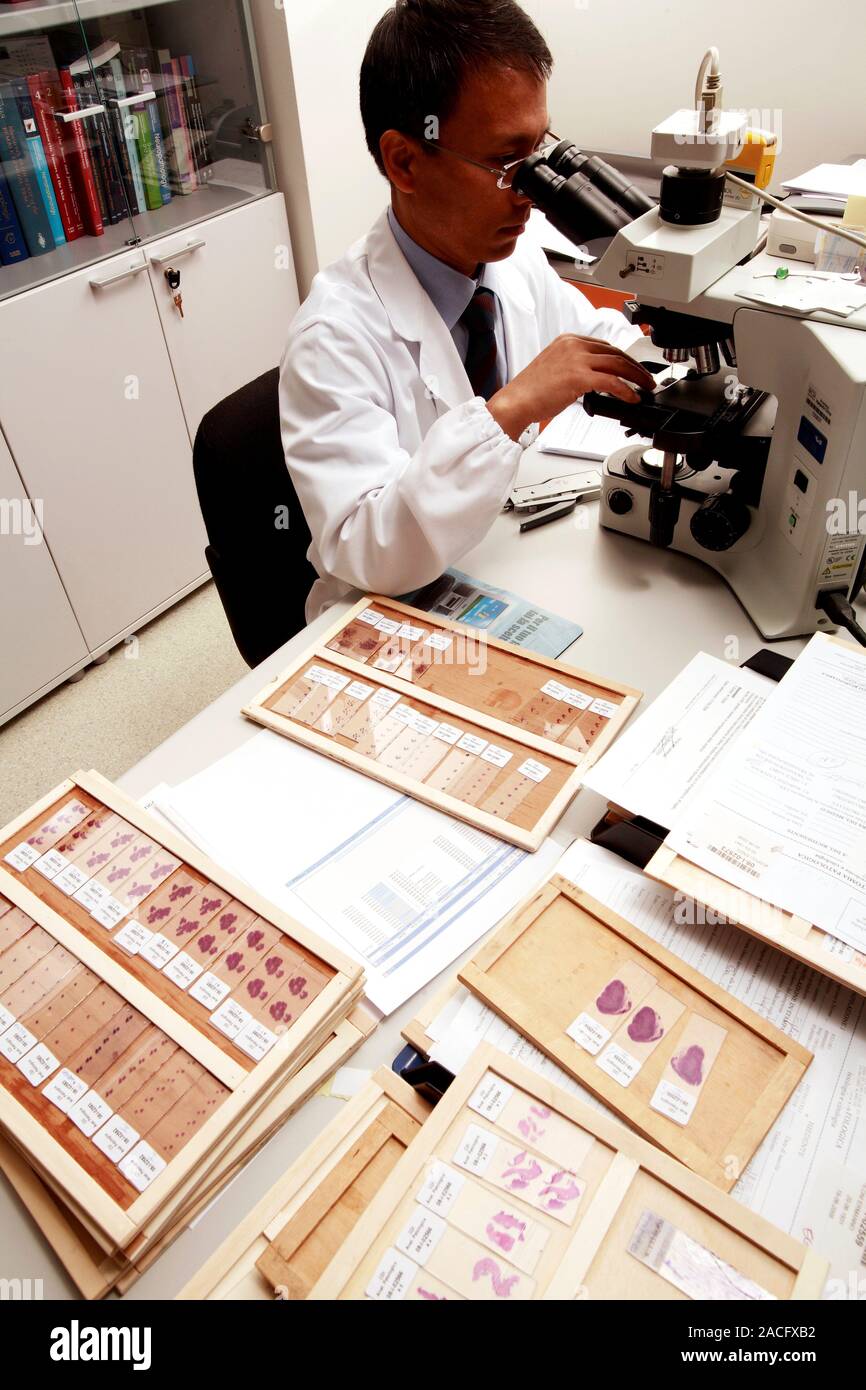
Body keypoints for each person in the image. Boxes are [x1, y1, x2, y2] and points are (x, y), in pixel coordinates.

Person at [280, 0, 653, 620]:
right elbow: (365, 548)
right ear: (404, 161)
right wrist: (509, 413)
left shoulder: (516, 258)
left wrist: (678, 341)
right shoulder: (333, 337)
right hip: (395, 614)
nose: (532, 193)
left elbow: (601, 344)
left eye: (540, 150)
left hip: (512, 555)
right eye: (507, 163)